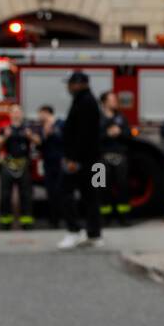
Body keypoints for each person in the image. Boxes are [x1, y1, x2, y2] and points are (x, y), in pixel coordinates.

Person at [57, 72, 103, 249]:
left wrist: (73, 159)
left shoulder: (85, 103)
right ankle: (94, 234)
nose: (68, 87)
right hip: (93, 161)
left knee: (64, 192)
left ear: (79, 84)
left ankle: (74, 231)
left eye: (70, 84)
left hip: (82, 161)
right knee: (92, 196)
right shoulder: (87, 100)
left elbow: (83, 135)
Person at [0, 106, 36, 231]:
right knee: (5, 194)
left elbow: (38, 141)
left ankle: (27, 221)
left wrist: (30, 136)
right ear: (10, 115)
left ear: (22, 114)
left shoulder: (28, 128)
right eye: (14, 112)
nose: (16, 114)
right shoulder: (4, 128)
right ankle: (5, 221)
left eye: (18, 112)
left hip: (23, 164)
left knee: (26, 194)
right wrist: (6, 136)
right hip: (8, 164)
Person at [98, 91, 132, 227]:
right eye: (112, 100)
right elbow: (91, 137)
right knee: (99, 187)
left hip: (119, 157)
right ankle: (102, 217)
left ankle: (124, 217)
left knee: (123, 186)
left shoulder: (121, 118)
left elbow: (129, 135)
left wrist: (121, 132)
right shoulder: (96, 118)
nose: (115, 102)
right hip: (99, 158)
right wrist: (107, 133)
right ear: (104, 102)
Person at [33, 105, 65, 230]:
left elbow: (67, 139)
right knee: (51, 192)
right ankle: (54, 220)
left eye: (40, 114)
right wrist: (44, 136)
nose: (39, 117)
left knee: (62, 191)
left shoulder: (61, 124)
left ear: (47, 113)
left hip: (61, 163)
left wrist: (54, 133)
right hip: (48, 164)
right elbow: (40, 147)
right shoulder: (41, 129)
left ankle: (65, 217)